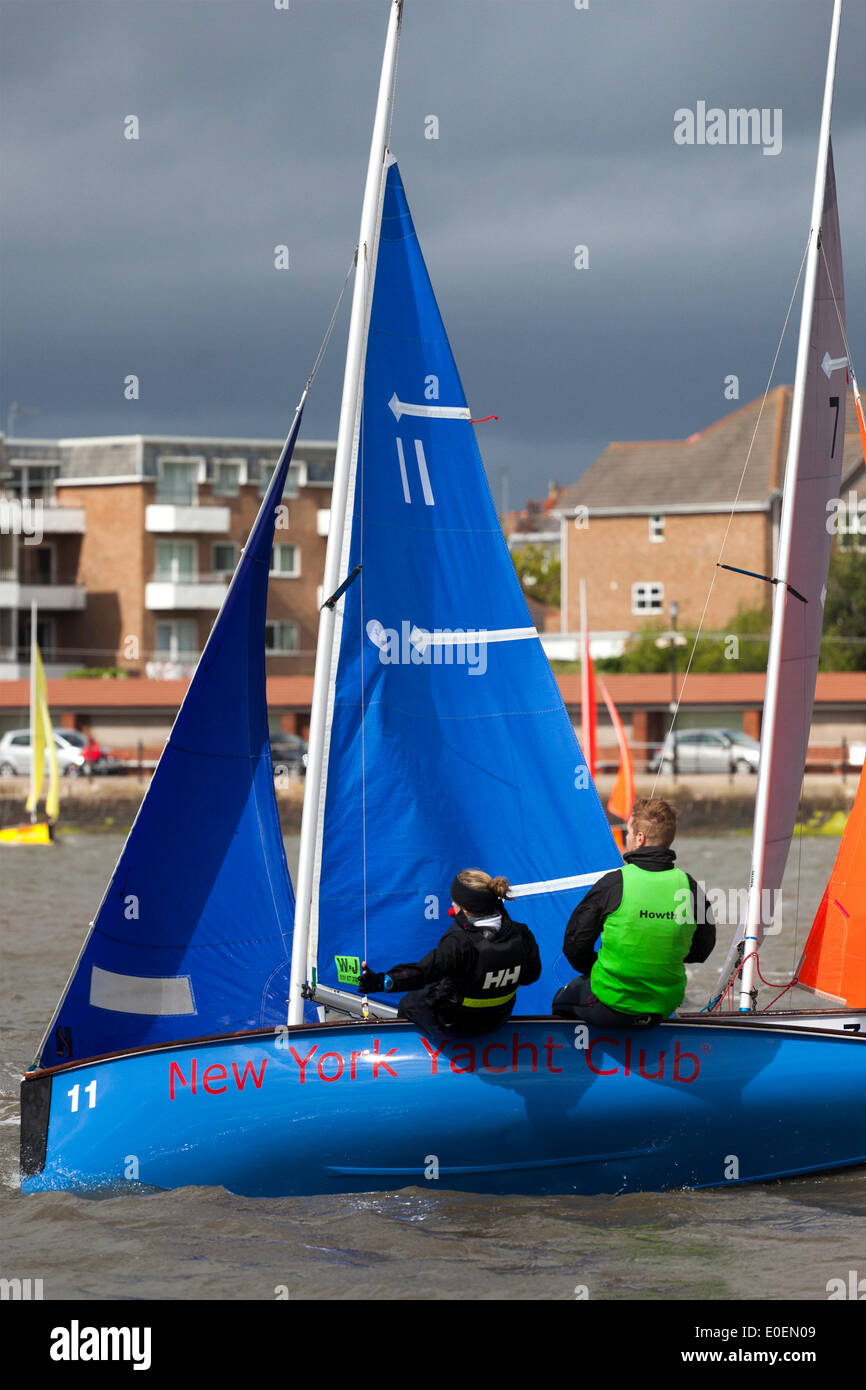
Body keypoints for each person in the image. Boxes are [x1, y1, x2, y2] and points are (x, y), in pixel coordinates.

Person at [552, 797, 715, 1029]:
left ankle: (580, 1062)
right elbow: (702, 950)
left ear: (640, 838)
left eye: (628, 832)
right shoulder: (689, 887)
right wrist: (661, 955)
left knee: (561, 999)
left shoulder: (614, 883)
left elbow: (574, 945)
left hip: (612, 1004)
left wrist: (598, 969)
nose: (626, 838)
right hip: (664, 1004)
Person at [358, 869, 541, 1037]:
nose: (451, 904)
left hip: (457, 1025)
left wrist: (382, 982)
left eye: (454, 901)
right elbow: (531, 976)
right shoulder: (521, 934)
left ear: (466, 909)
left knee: (410, 1003)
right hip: (498, 1019)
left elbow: (424, 972)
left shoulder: (460, 944)